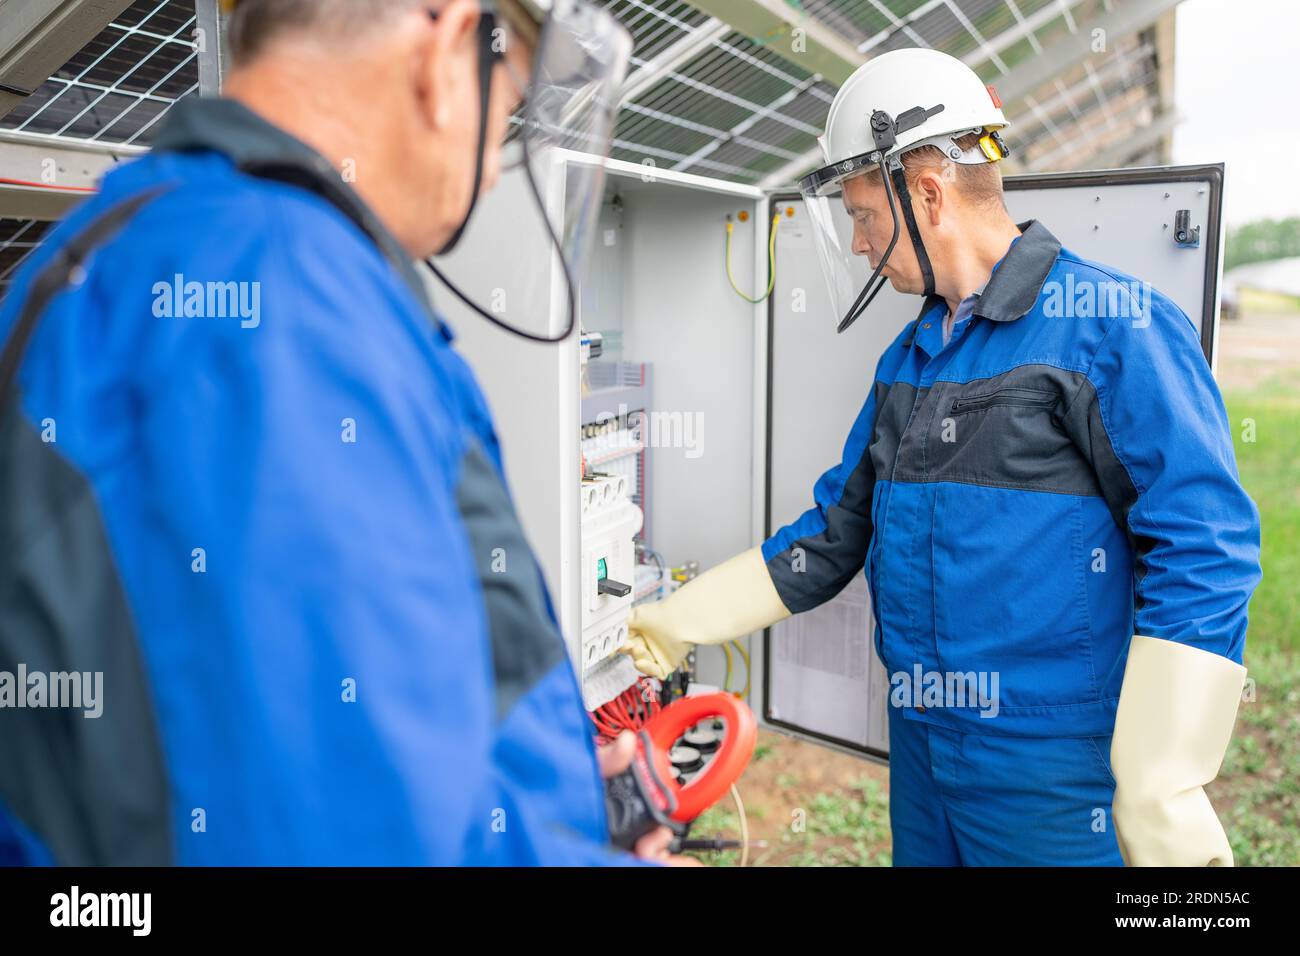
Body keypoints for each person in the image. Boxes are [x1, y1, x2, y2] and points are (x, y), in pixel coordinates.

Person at [0, 0, 687, 865]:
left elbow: (262, 745)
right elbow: (343, 831)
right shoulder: (287, 302)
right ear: (445, 46)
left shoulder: (114, 251)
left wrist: (512, 793)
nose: (487, 173)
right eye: (506, 110)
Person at [624, 47, 1262, 867]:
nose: (857, 244)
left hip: (1054, 770)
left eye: (862, 215)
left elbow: (1205, 545)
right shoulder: (909, 360)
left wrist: (1161, 779)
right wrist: (684, 620)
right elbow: (835, 531)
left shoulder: (1113, 327)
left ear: (925, 194)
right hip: (923, 749)